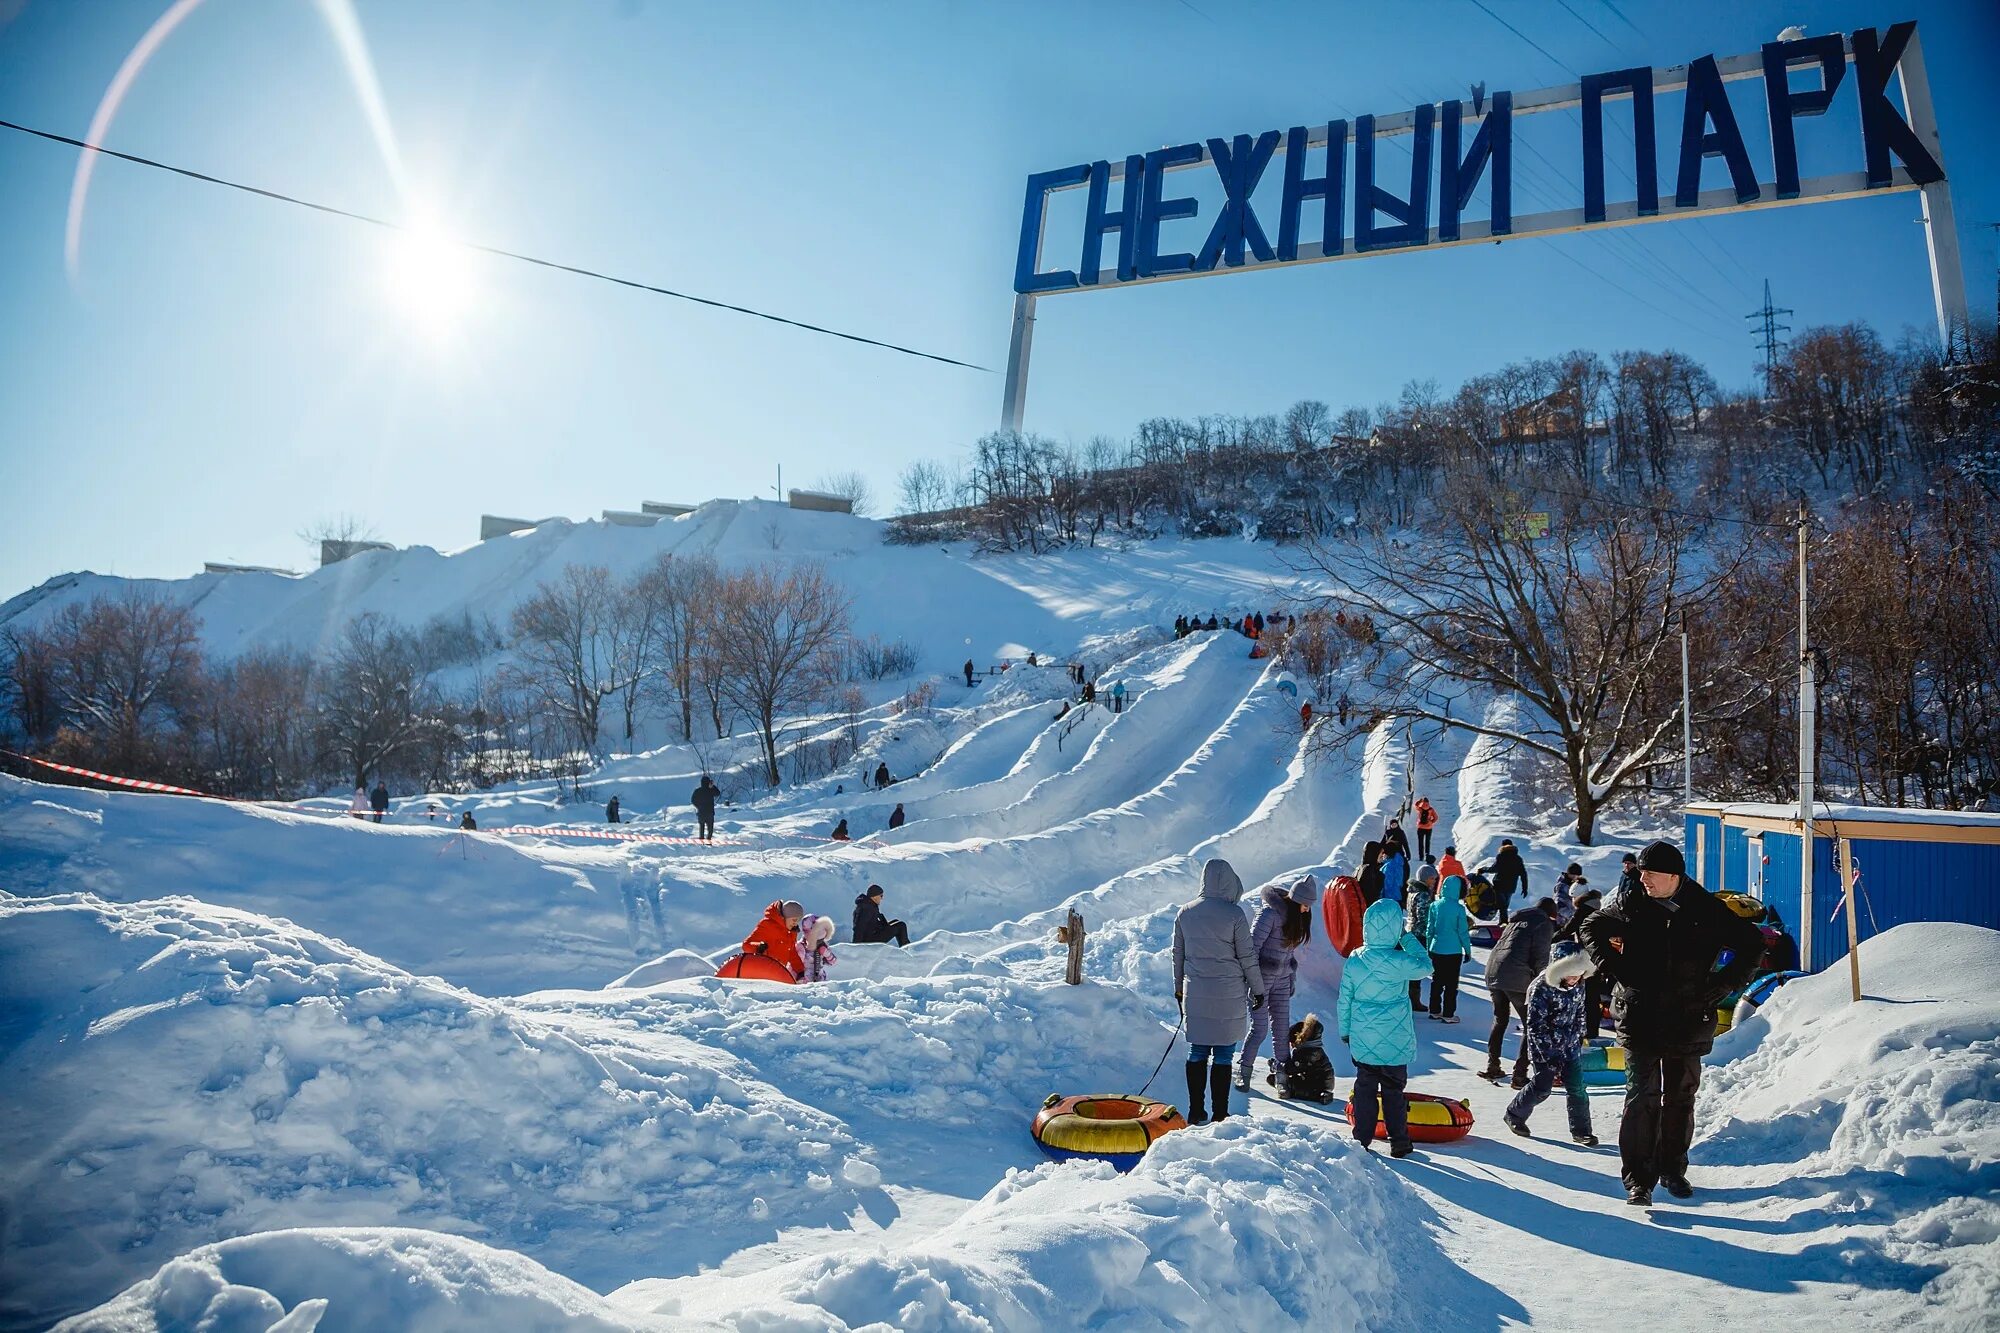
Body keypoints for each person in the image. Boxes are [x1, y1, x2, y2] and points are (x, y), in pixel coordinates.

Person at [1582, 839, 1764, 1206]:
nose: (1643, 878)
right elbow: (1590, 928)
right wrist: (1614, 968)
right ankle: (1639, 1180)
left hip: (1688, 1017)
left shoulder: (1707, 909)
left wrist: (1721, 986)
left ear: (1673, 875)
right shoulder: (1630, 902)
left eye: (1650, 873)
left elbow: (1752, 944)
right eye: (1641, 872)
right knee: (1641, 1099)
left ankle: (1673, 1170)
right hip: (1640, 1016)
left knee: (1680, 1098)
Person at [1338, 898, 1435, 1157]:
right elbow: (1427, 966)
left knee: (1365, 1088)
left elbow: (1344, 998)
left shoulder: (1355, 958)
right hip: (1395, 1037)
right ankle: (1400, 1143)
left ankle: (1361, 1139)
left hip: (1363, 1035)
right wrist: (1406, 938)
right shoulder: (1400, 960)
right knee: (1393, 1091)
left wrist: (1345, 1030)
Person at [1173, 858, 1263, 1126]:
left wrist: (1179, 989)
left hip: (1196, 993)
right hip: (1229, 994)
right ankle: (1220, 1114)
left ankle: (1195, 1111)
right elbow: (1247, 956)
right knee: (1224, 1054)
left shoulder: (1185, 913)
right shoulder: (1234, 914)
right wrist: (1258, 990)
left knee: (1198, 1052)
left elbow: (1178, 955)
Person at [1503, 942, 1599, 1146]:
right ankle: (1514, 1114)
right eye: (1571, 975)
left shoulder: (1579, 984)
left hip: (1570, 1046)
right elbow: (1535, 1026)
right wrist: (1549, 1055)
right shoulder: (1540, 988)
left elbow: (1580, 1013)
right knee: (1542, 1088)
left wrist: (1578, 1037)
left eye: (1579, 974)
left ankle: (1582, 1131)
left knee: (1577, 1088)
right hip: (1544, 1049)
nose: (1575, 979)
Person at [1236, 874, 1316, 1091]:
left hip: (1281, 980)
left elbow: (1289, 955)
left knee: (1281, 1029)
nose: (1308, 909)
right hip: (1260, 981)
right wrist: (1252, 983)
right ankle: (1244, 1070)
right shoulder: (1269, 914)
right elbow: (1251, 949)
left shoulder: (1297, 918)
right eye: (1306, 904)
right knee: (1260, 1029)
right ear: (1296, 899)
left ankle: (1282, 1074)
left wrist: (1290, 978)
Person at [1481, 898, 1557, 1087]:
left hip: (1493, 971)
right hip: (1516, 976)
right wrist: (1545, 982)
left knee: (1500, 1019)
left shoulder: (1517, 920)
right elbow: (1540, 956)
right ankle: (1519, 1075)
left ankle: (1492, 1066)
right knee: (1531, 1025)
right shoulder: (1543, 923)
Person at [1425, 874, 1472, 1022]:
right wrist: (1467, 950)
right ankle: (1448, 1014)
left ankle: (1434, 1010)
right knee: (1451, 984)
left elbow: (1429, 929)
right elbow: (1462, 932)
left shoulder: (1435, 905)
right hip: (1453, 951)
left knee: (1436, 981)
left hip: (1436, 948)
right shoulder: (1459, 908)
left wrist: (1428, 948)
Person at [742, 900, 806, 978]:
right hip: (760, 972)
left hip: (777, 974)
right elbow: (746, 945)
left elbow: (791, 953)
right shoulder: (768, 925)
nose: (795, 923)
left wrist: (800, 970)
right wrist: (758, 947)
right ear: (785, 917)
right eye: (794, 920)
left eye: (798, 921)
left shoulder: (791, 933)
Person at [1405, 862, 1438, 1011]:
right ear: (1425, 878)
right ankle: (1414, 1001)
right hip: (1420, 934)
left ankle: (1410, 998)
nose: (1434, 881)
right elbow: (1423, 916)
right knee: (1417, 968)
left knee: (1411, 966)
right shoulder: (1423, 894)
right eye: (1432, 878)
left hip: (1411, 931)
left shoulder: (1412, 891)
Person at [1485, 838, 1528, 922]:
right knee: (1504, 906)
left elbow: (1494, 869)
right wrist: (1525, 888)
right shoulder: (1518, 859)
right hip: (1511, 887)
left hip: (1499, 885)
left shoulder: (1501, 856)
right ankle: (1503, 922)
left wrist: (1483, 869)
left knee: (1501, 905)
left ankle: (1503, 923)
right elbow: (1523, 874)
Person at [798, 914, 837, 982]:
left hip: (820, 978)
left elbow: (833, 962)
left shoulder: (822, 945)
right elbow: (794, 962)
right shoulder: (802, 945)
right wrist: (800, 954)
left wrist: (827, 954)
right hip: (804, 979)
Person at [1356, 840, 1386, 906]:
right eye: (1381, 852)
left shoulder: (1359, 869)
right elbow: (1370, 896)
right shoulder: (1369, 870)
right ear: (1374, 853)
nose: (1383, 855)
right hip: (1368, 913)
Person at [691, 776, 719, 842]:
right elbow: (717, 793)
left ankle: (702, 841)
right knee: (710, 829)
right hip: (709, 813)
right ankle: (708, 841)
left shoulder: (698, 791)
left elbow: (693, 800)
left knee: (702, 828)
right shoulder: (711, 790)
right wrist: (713, 787)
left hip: (701, 812)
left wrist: (698, 806)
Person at [1381, 842, 1409, 908]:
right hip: (1398, 895)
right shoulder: (1400, 862)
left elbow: (1387, 884)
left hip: (1388, 897)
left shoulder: (1388, 866)